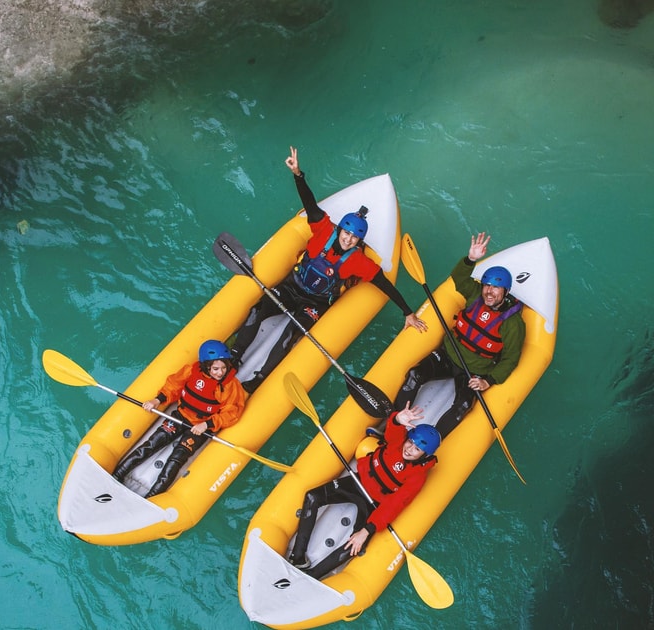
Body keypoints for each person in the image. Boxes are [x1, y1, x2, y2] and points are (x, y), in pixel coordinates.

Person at [230, 146, 427, 392]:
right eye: (346, 233)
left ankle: (256, 380)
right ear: (340, 229)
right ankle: (234, 357)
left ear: (359, 241)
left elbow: (384, 284)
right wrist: (297, 174)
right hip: (292, 287)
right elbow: (309, 203)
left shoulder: (359, 262)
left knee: (292, 332)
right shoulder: (323, 229)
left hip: (316, 304)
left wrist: (407, 312)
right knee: (257, 309)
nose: (348, 240)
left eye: (354, 238)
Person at [287, 404, 440, 579]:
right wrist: (398, 419)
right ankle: (298, 557)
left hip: (374, 503)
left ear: (425, 455)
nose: (409, 449)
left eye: (417, 449)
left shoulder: (417, 477)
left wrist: (367, 530)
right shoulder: (398, 443)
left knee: (355, 543)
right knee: (313, 497)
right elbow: (393, 431)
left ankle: (313, 575)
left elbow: (394, 504)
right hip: (358, 482)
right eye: (410, 442)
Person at [393, 232, 524, 437]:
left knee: (462, 405)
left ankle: (430, 441)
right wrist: (471, 259)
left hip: (473, 372)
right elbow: (459, 277)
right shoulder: (474, 294)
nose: (489, 291)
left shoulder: (513, 324)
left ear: (505, 292)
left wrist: (487, 381)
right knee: (414, 374)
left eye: (496, 288)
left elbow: (510, 359)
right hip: (448, 354)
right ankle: (396, 422)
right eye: (487, 285)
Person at [112, 340, 247, 498]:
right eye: (215, 368)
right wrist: (158, 400)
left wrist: (207, 424)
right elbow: (173, 386)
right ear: (206, 365)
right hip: (181, 415)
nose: (220, 372)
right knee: (152, 443)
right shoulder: (191, 371)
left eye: (224, 368)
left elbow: (232, 412)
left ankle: (153, 496)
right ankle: (118, 474)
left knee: (177, 458)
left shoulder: (231, 386)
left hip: (201, 427)